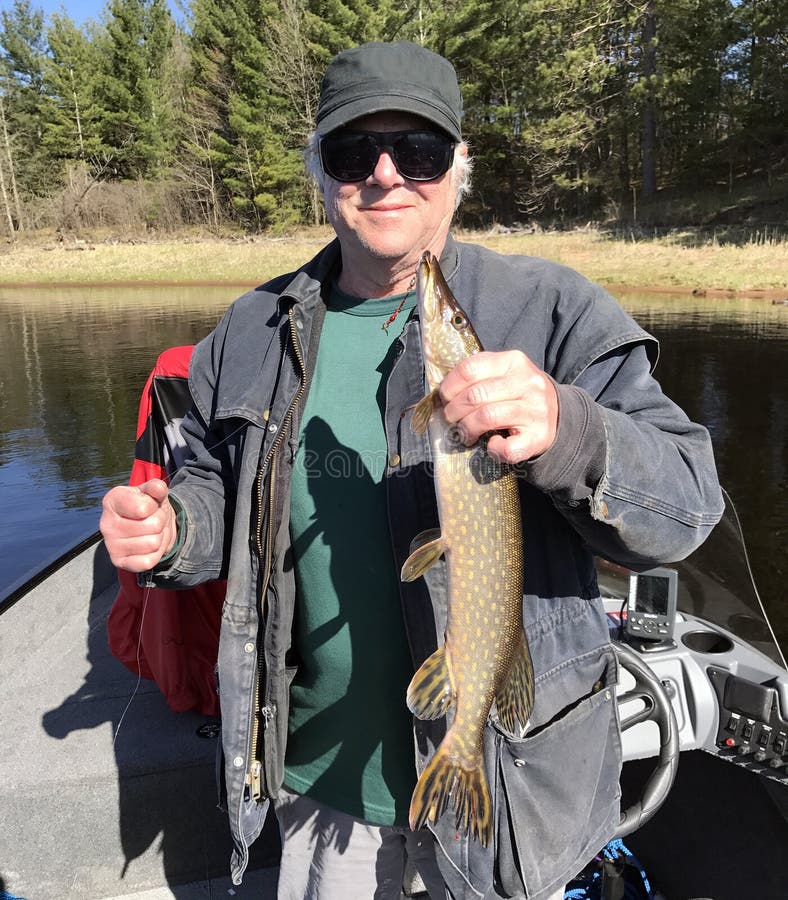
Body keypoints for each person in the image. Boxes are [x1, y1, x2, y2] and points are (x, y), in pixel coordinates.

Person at [100, 41, 724, 900]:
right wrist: (173, 531)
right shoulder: (248, 331)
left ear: (458, 166)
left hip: (512, 793)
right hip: (326, 792)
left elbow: (687, 509)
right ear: (320, 170)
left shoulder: (554, 309)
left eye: (419, 152)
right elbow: (213, 486)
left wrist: (568, 430)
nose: (386, 175)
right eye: (355, 152)